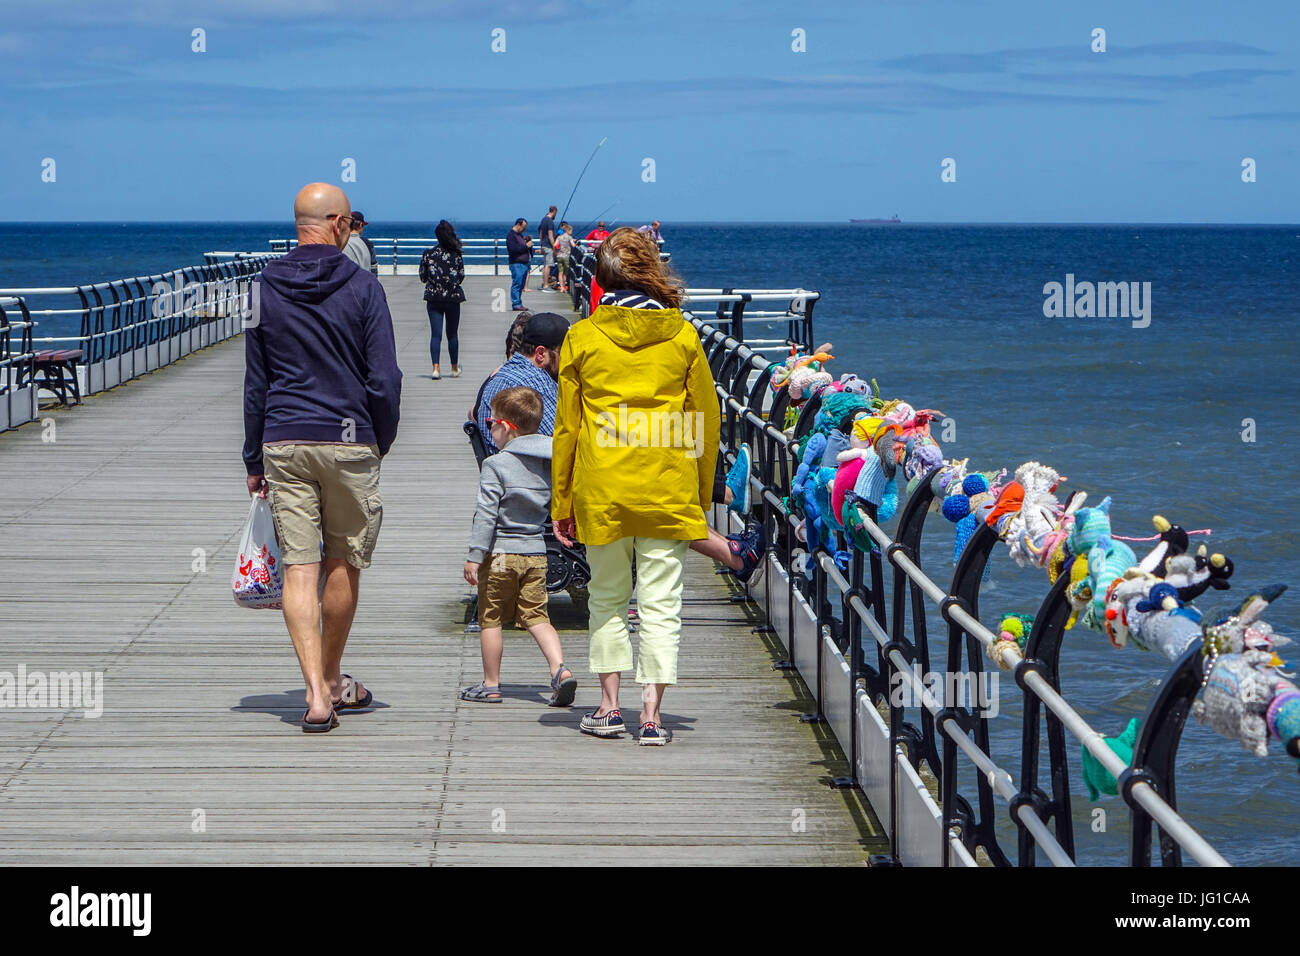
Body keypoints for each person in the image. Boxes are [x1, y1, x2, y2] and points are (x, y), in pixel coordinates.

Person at [552, 228, 753, 745]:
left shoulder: (583, 336)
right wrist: (702, 490)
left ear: (601, 278)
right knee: (662, 601)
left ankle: (608, 706)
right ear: (650, 274)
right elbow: (705, 418)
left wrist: (561, 499)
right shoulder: (682, 335)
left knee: (608, 597)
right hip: (666, 484)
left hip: (602, 486)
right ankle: (652, 717)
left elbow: (568, 426)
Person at [243, 182, 402, 733]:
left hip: (284, 438)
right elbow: (384, 377)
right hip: (349, 438)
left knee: (299, 569)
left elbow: (256, 381)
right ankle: (332, 676)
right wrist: (381, 436)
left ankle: (316, 695)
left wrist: (252, 457)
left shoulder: (263, 286)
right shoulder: (363, 286)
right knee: (344, 561)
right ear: (338, 223)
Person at [462, 386, 576, 706]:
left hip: (499, 555)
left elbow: (486, 515)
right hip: (536, 554)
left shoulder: (496, 465)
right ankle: (560, 669)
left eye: (491, 423)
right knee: (537, 616)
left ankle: (491, 684)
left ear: (507, 427)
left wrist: (474, 556)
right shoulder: (549, 460)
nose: (490, 429)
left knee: (491, 617)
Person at [475, 311, 568, 455]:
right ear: (541, 353)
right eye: (565, 353)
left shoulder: (506, 372)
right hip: (530, 473)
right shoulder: (533, 382)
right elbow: (562, 442)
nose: (570, 360)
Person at [419, 219, 466, 380]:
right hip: (453, 298)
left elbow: (422, 277)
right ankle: (454, 368)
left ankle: (435, 368)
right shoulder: (456, 254)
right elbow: (461, 277)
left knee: (435, 334)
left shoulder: (429, 254)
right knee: (452, 334)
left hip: (434, 298)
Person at [506, 218, 532, 311]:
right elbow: (513, 250)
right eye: (523, 227)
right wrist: (526, 246)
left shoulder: (519, 235)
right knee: (517, 283)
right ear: (518, 225)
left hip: (523, 263)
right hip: (517, 263)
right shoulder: (511, 235)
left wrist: (526, 242)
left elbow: (520, 247)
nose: (524, 230)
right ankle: (516, 303)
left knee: (521, 284)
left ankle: (518, 302)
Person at [538, 205, 558, 291]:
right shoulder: (550, 221)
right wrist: (554, 247)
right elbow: (550, 236)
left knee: (545, 265)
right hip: (548, 246)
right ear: (554, 211)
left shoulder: (543, 219)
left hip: (544, 244)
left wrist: (541, 245)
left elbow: (541, 233)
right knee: (548, 266)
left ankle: (544, 283)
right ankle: (546, 285)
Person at [554, 221, 576, 294]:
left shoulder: (559, 237)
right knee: (565, 273)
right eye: (571, 231)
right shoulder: (569, 237)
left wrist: (556, 252)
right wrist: (575, 243)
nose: (572, 232)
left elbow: (555, 245)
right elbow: (573, 245)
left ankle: (561, 287)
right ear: (568, 230)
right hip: (566, 257)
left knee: (560, 272)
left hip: (559, 256)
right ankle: (564, 286)